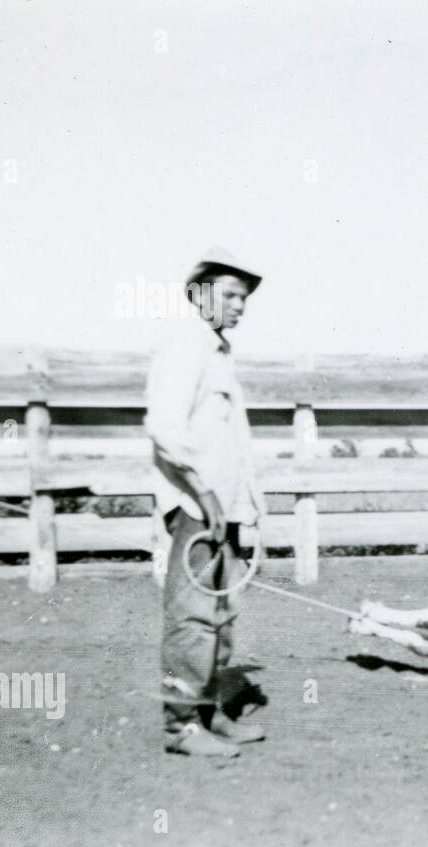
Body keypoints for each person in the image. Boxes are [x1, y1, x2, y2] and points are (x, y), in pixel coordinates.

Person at [144, 247, 269, 757]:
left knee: (222, 617)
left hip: (229, 511)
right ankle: (181, 728)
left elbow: (232, 444)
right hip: (198, 511)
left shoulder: (219, 355)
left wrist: (247, 509)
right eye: (231, 294)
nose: (240, 305)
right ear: (200, 295)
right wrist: (205, 495)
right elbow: (164, 429)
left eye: (245, 297)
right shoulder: (182, 348)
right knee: (192, 619)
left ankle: (210, 713)